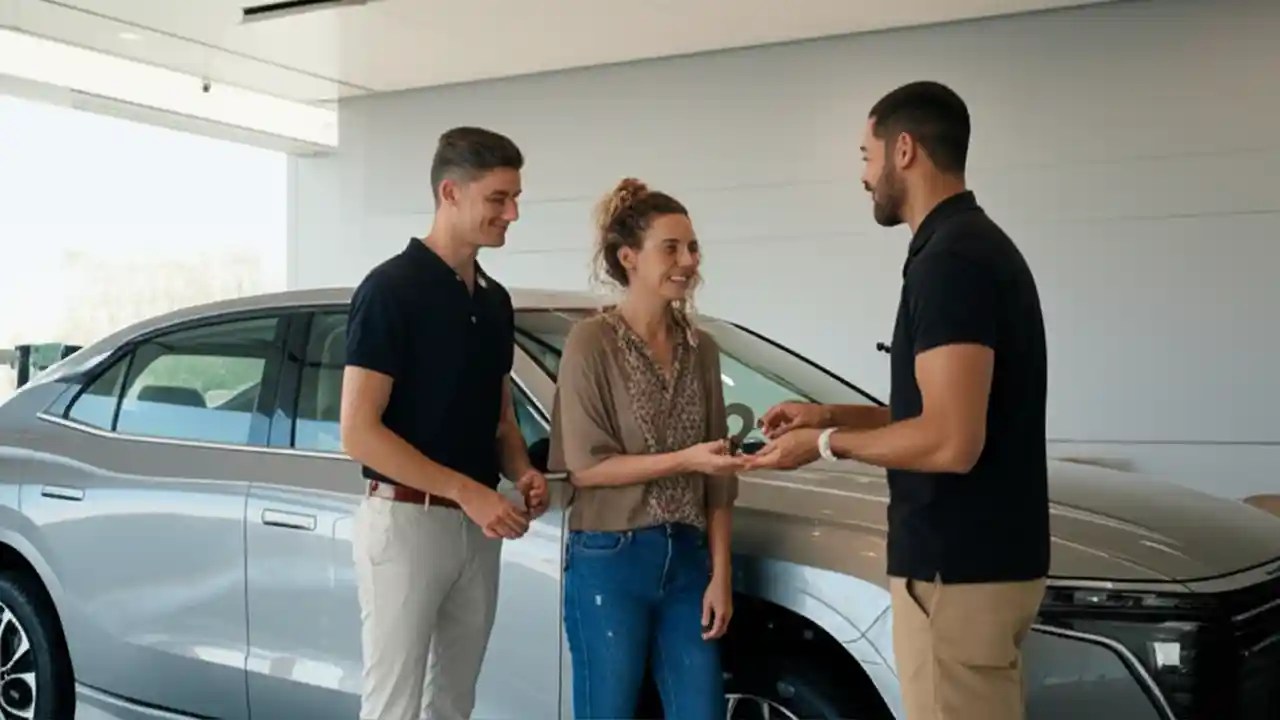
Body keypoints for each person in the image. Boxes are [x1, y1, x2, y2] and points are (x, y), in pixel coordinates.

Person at [748, 81, 1050, 720]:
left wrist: (825, 446)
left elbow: (949, 440)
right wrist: (828, 414)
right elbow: (943, 412)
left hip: (955, 574)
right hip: (990, 565)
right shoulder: (974, 246)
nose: (864, 175)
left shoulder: (952, 262)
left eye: (866, 155)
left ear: (904, 150)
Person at [339, 126, 550, 720]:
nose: (512, 213)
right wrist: (467, 490)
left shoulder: (495, 300)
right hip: (405, 524)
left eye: (515, 199)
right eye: (498, 199)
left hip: (477, 531)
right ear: (450, 193)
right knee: (394, 708)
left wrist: (522, 469)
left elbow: (499, 415)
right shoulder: (390, 290)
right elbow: (359, 431)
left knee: (454, 705)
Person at [548, 177, 744, 720]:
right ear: (628, 257)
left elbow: (719, 477)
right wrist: (686, 459)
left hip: (688, 560)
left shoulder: (702, 349)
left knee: (700, 711)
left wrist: (720, 575)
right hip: (610, 558)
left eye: (692, 247)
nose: (688, 260)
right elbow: (586, 469)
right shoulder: (591, 343)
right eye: (672, 248)